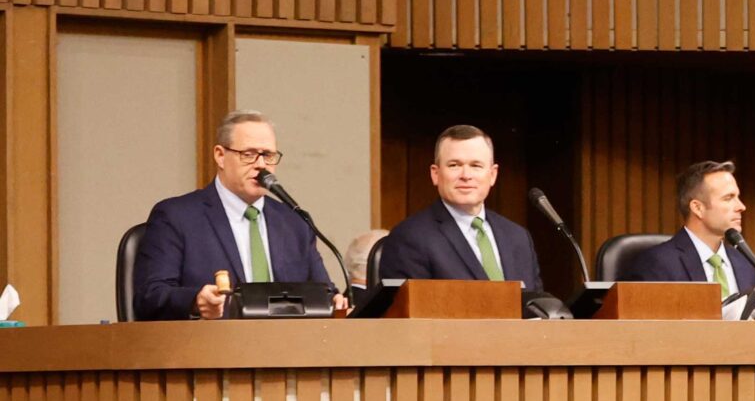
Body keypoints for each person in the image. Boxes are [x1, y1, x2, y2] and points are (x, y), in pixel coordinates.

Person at [131, 110, 338, 320]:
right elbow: (149, 297)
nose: (261, 165)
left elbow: (325, 295)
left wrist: (337, 303)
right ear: (220, 156)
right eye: (248, 154)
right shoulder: (176, 217)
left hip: (286, 340)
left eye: (268, 155)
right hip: (211, 338)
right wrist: (196, 301)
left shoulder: (294, 222)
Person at [375, 126, 546, 293]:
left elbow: (535, 305)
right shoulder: (410, 237)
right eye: (454, 165)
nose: (466, 175)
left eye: (476, 165)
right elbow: (412, 309)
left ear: (493, 175)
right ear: (435, 174)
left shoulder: (518, 237)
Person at [621, 160, 755, 311]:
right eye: (728, 198)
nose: (741, 206)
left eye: (738, 197)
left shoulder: (749, 265)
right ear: (697, 208)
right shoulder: (658, 264)